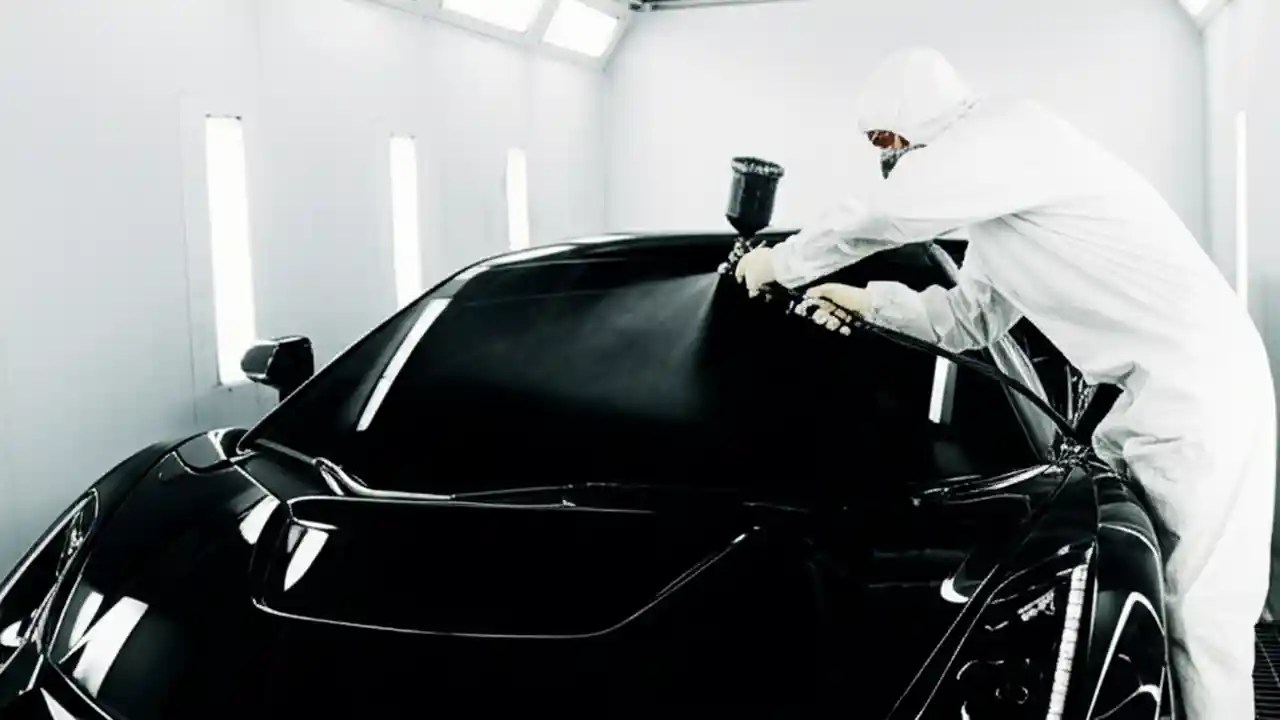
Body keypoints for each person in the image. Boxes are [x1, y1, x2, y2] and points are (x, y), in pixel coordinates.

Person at [734, 46, 1275, 719]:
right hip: (1151, 396)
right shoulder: (1002, 202)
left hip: (1202, 390)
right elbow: (970, 318)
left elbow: (883, 216)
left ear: (914, 126)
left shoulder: (1010, 133)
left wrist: (782, 263)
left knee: (1201, 620)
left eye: (884, 141)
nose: (885, 157)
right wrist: (869, 300)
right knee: (1148, 612)